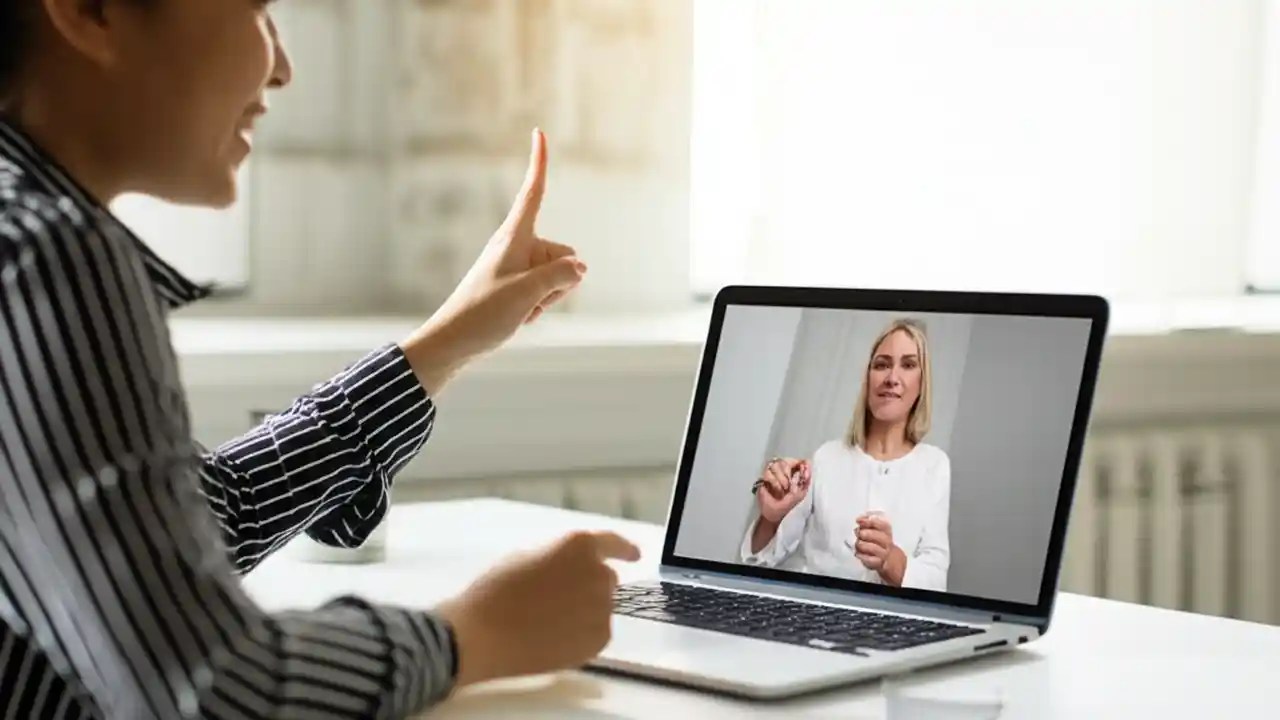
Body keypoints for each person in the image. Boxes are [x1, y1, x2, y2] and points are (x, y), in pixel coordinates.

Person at [0, 1, 640, 718]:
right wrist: (475, 635)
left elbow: (208, 513)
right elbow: (217, 689)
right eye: (255, 11)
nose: (280, 67)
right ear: (90, 12)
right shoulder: (46, 258)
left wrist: (443, 344)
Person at [738, 319, 952, 591]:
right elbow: (759, 560)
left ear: (922, 383)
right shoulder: (827, 457)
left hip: (888, 626)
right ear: (868, 378)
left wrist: (889, 560)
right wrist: (771, 517)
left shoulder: (935, 465)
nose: (891, 378)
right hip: (814, 614)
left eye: (908, 365)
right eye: (882, 364)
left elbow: (936, 580)